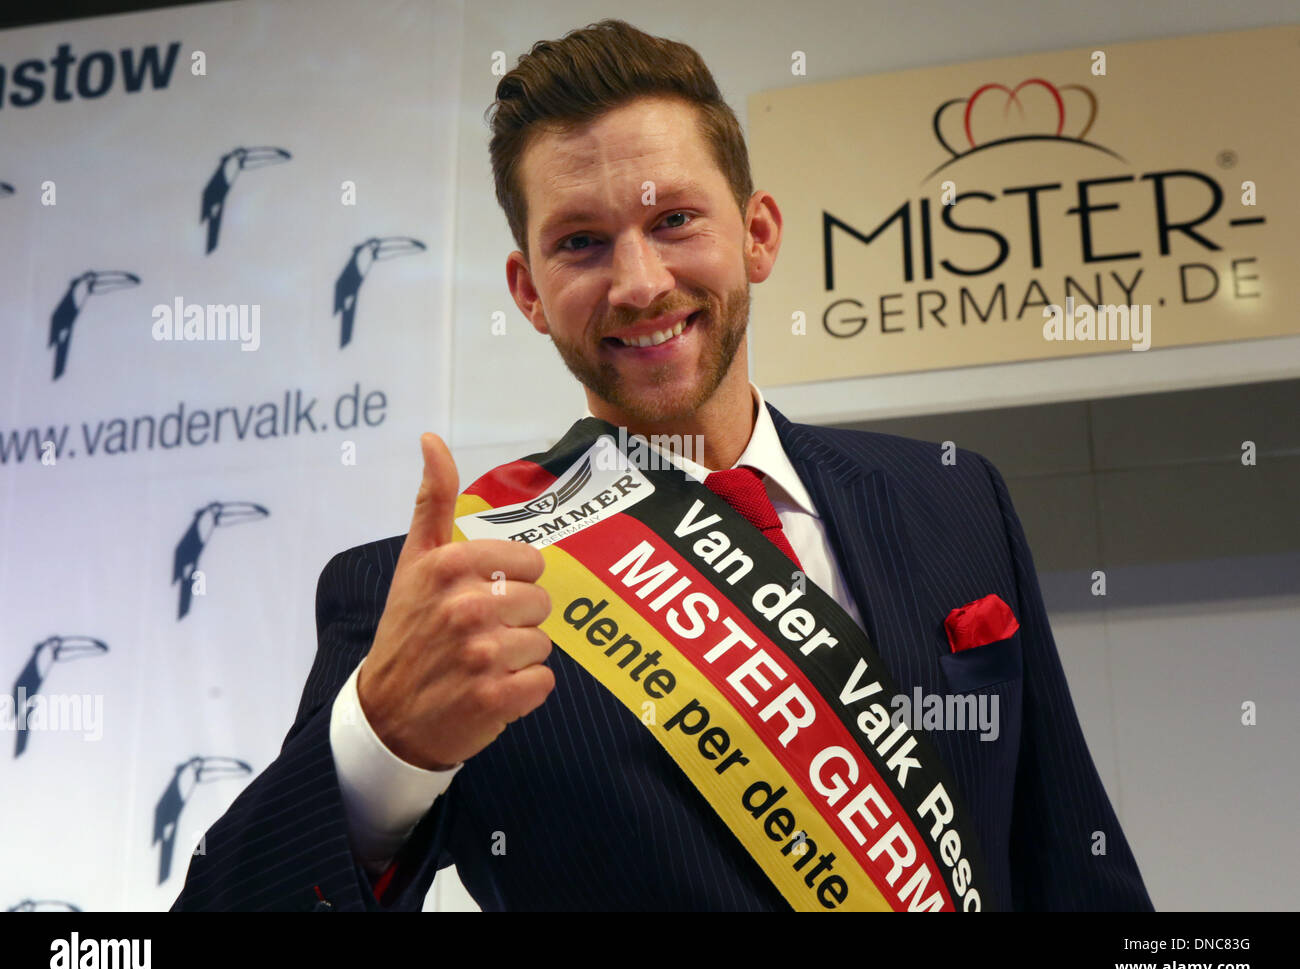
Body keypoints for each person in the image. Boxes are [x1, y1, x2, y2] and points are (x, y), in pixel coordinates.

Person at [172, 19, 1152, 912]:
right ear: (528, 289)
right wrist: (382, 745)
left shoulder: (951, 497)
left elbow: (1075, 869)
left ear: (756, 234)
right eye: (582, 243)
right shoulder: (451, 591)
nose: (640, 284)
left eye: (675, 220)